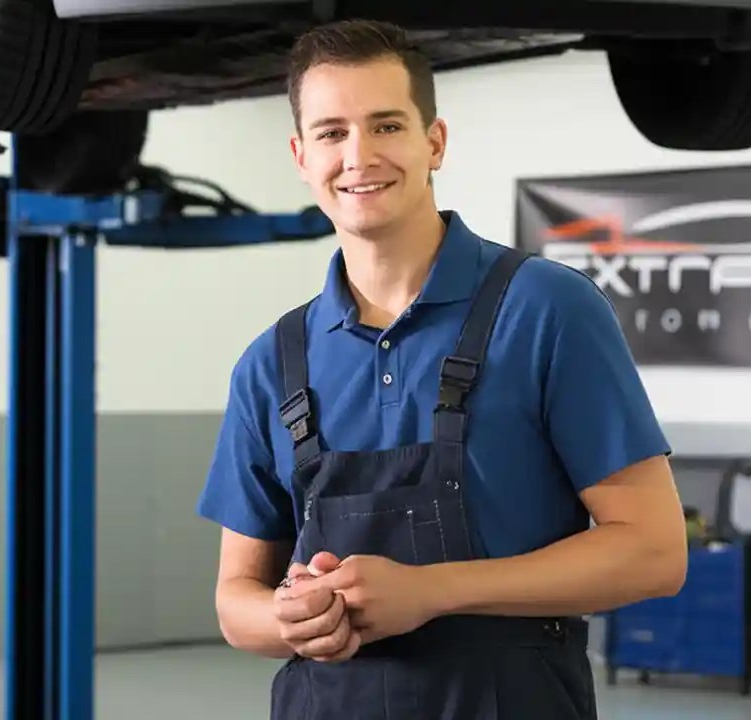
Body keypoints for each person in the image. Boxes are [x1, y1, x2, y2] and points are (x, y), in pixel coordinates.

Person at [195, 18, 687, 719]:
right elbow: (236, 598)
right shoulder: (273, 362)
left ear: (435, 142)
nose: (359, 156)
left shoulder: (546, 309)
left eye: (387, 125)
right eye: (332, 133)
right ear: (302, 156)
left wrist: (431, 591)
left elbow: (654, 554)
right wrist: (294, 619)